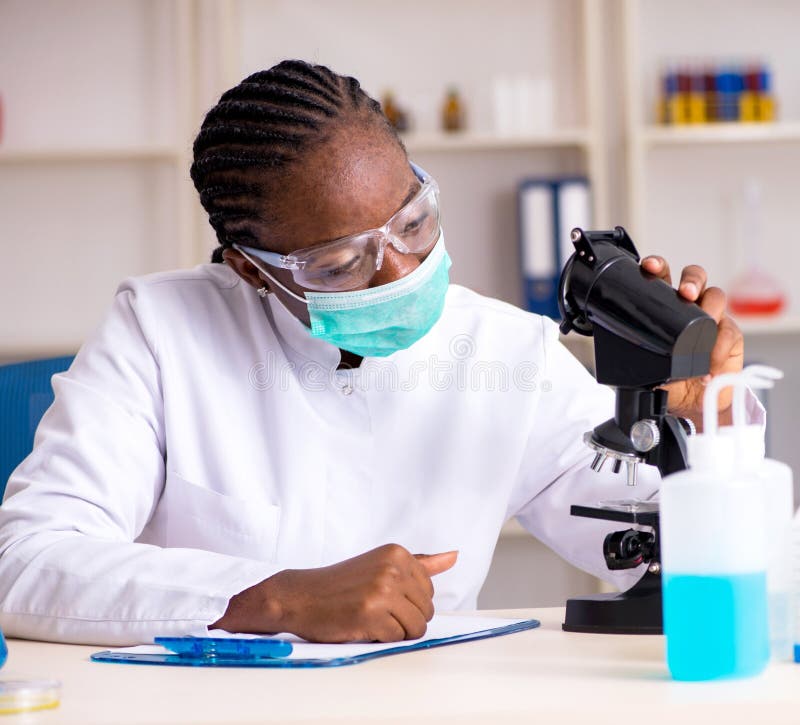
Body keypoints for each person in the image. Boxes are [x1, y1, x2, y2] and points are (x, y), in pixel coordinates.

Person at [0, 61, 756, 646]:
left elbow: (670, 550)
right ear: (250, 266)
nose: (400, 271)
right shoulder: (161, 332)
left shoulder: (504, 353)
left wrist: (702, 423)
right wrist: (272, 595)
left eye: (414, 222)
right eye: (338, 265)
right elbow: (25, 563)